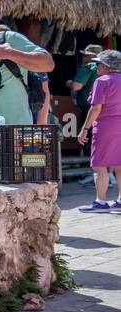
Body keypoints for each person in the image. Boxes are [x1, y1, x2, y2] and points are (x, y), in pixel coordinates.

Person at [77, 49, 121, 212]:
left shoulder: (101, 81)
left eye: (98, 64)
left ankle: (101, 202)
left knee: (99, 165)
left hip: (105, 126)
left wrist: (84, 129)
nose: (96, 67)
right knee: (119, 164)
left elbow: (96, 108)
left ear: (106, 66)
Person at [69, 44, 104, 114]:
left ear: (94, 56)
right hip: (106, 106)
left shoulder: (89, 66)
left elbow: (76, 86)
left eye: (86, 55)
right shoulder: (108, 67)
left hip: (89, 106)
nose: (83, 58)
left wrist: (69, 83)